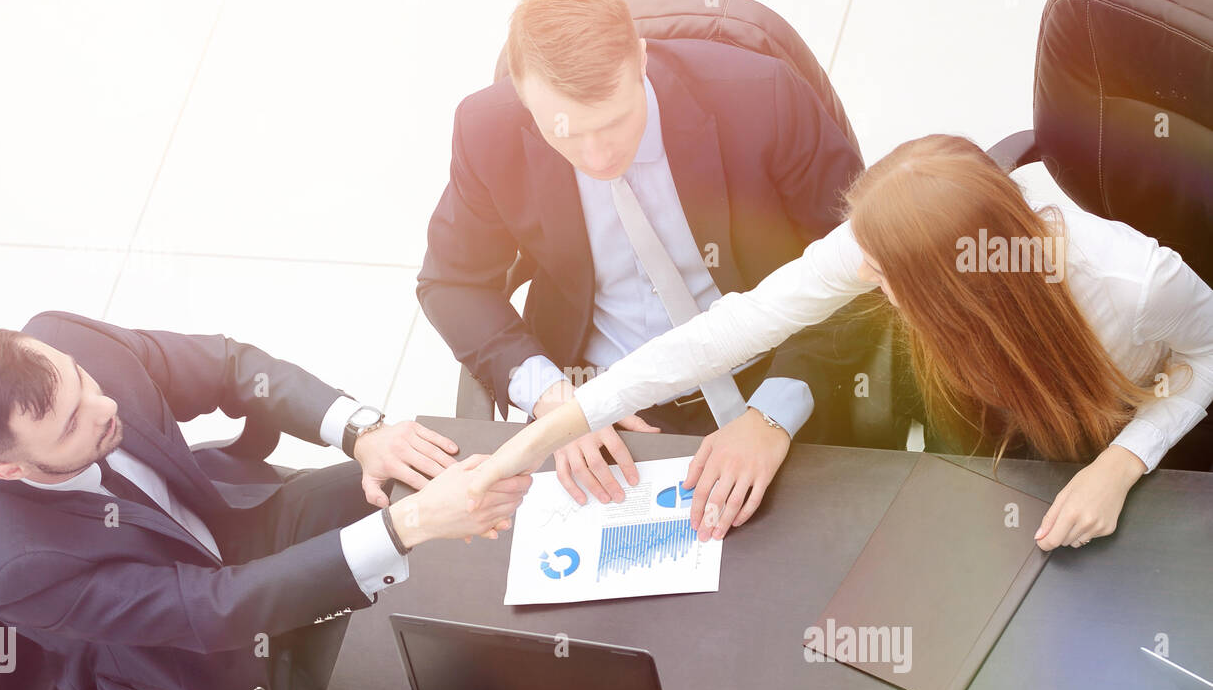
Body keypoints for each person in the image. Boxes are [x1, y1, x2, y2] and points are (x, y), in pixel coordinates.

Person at [464, 134, 1213, 552]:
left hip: (1112, 425)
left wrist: (1121, 463)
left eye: (888, 281)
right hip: (993, 411)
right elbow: (720, 335)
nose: (868, 280)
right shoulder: (882, 238)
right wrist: (518, 453)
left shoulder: (1131, 281)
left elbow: (1209, 355)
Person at [0, 311, 531, 690]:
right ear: (11, 471)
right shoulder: (17, 568)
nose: (105, 408)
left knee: (439, 468)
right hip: (208, 675)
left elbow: (232, 368)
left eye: (83, 383)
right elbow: (212, 609)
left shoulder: (67, 338)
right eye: (72, 424)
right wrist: (409, 527)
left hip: (239, 531)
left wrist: (360, 430)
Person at [418, 0, 872, 517]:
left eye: (613, 122)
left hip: (772, 370)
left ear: (640, 59)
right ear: (522, 95)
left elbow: (860, 261)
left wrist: (772, 416)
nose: (597, 156)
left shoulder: (764, 97)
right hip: (596, 403)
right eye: (567, 132)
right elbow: (452, 284)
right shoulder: (484, 129)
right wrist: (553, 400)